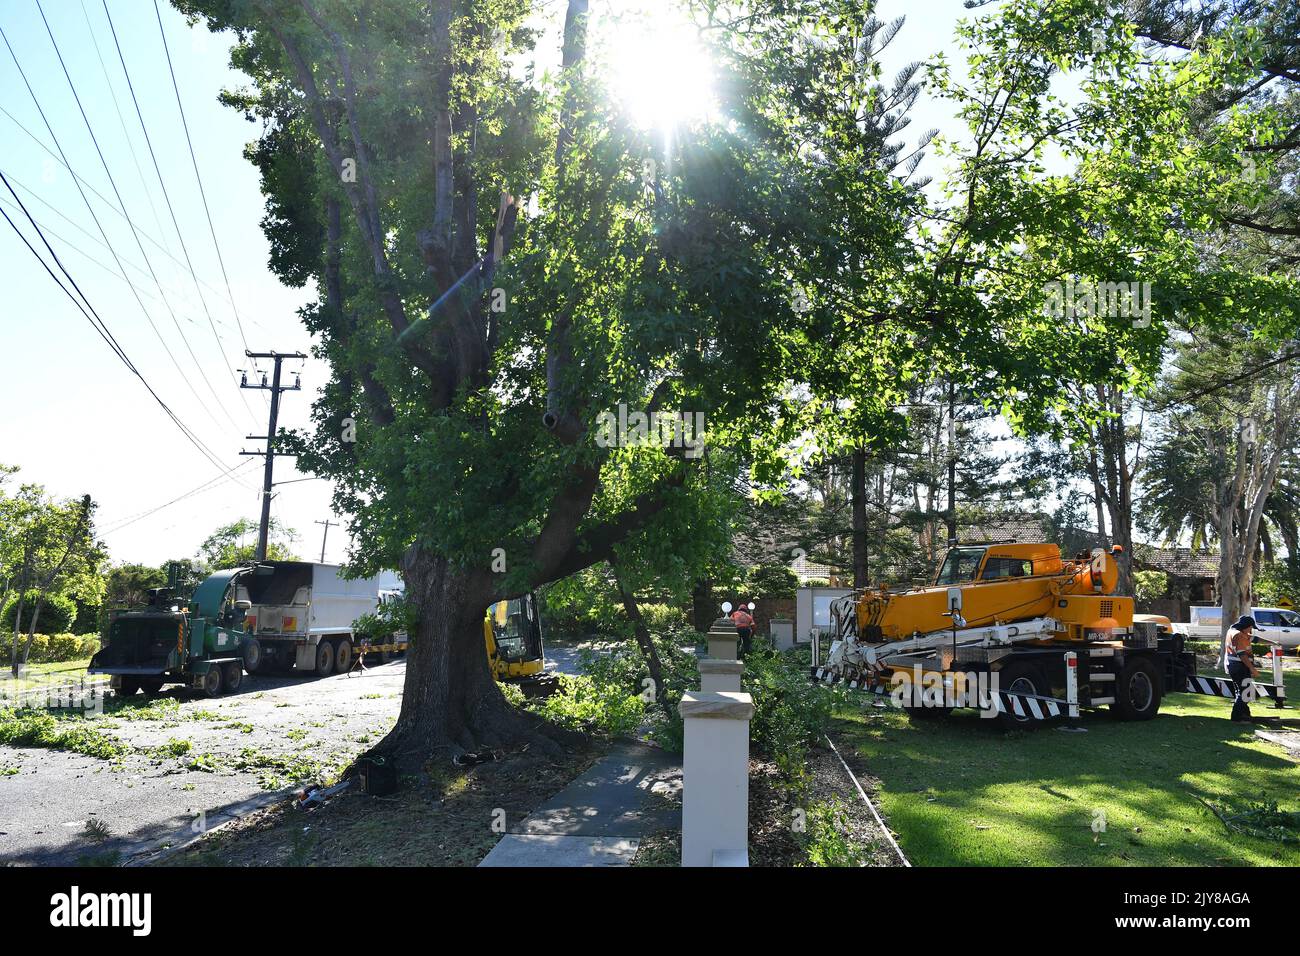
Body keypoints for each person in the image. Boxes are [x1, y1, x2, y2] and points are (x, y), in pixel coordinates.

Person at [1222, 615, 1259, 723]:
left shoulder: (1234, 632)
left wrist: (1273, 642)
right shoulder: (1239, 636)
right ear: (1246, 626)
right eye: (1251, 628)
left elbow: (1254, 638)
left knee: (1243, 691)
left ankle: (1245, 715)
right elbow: (1242, 655)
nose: (1251, 630)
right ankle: (1237, 717)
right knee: (1246, 692)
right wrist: (1252, 669)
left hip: (1233, 666)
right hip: (1239, 666)